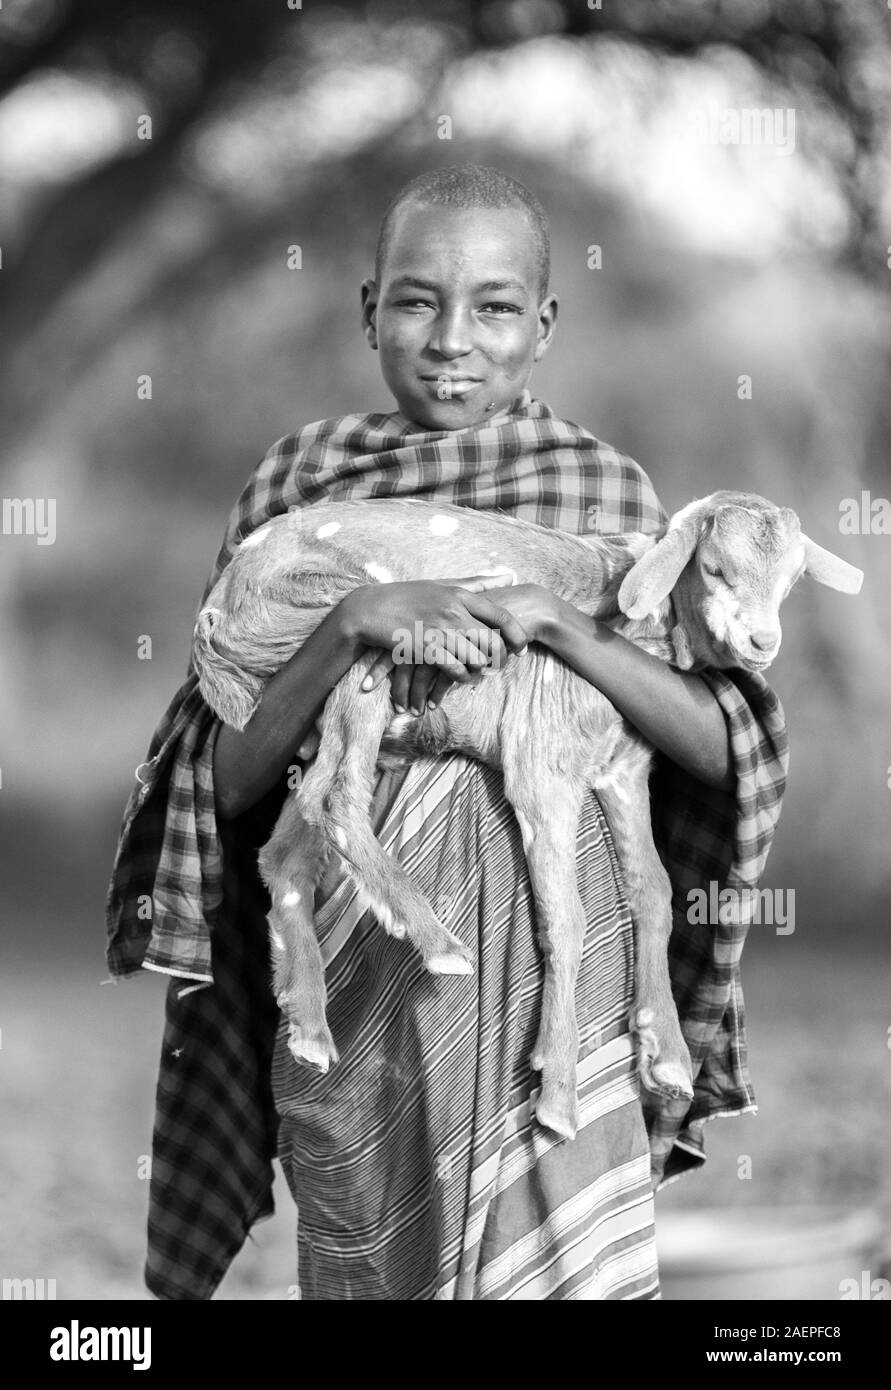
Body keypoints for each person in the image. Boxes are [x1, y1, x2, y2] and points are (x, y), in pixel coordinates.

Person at [106, 165, 788, 1300]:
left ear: (544, 325)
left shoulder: (604, 494)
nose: (451, 342)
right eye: (417, 302)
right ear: (368, 310)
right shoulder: (299, 486)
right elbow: (219, 778)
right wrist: (350, 625)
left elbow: (719, 752)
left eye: (495, 307)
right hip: (358, 945)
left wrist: (562, 629)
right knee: (371, 1237)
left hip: (569, 958)